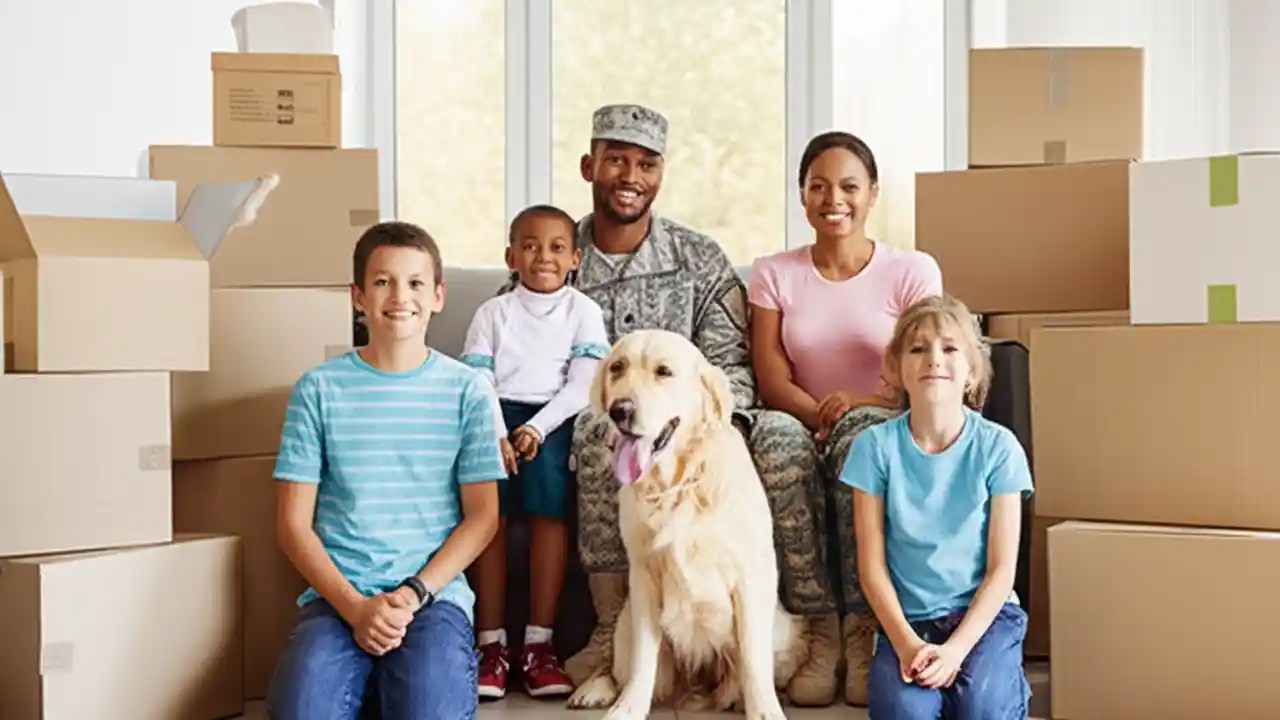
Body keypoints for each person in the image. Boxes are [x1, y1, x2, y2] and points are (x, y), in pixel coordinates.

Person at [512, 103, 837, 708]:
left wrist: (703, 439)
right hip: (593, 413)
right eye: (616, 160)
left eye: (646, 164)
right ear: (590, 167)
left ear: (660, 175)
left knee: (785, 439)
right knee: (594, 434)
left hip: (701, 420)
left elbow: (732, 367)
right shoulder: (554, 251)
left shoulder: (699, 257)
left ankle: (817, 627)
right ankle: (616, 628)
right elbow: (521, 351)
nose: (630, 175)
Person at [267, 221, 505, 720]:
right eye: (382, 282)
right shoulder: (317, 390)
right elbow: (292, 526)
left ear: (438, 295)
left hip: (432, 599)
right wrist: (356, 608)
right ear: (358, 296)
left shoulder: (467, 391)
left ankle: (388, 679)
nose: (400, 296)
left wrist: (415, 593)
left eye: (416, 282)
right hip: (338, 598)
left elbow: (482, 518)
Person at [747, 130, 943, 706]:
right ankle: (819, 633)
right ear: (802, 196)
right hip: (800, 417)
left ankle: (864, 630)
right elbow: (770, 377)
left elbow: (928, 365)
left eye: (850, 186)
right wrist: (819, 414)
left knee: (862, 440)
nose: (835, 199)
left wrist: (856, 408)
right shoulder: (773, 272)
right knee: (775, 439)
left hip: (880, 421)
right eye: (819, 186)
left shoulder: (911, 271)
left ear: (873, 193)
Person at [842, 293, 1033, 719]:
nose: (933, 359)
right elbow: (871, 567)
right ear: (895, 369)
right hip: (908, 620)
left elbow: (1003, 569)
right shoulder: (874, 448)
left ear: (971, 370)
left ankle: (1000, 680)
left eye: (949, 348)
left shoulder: (998, 448)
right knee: (903, 712)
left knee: (980, 707)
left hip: (986, 616)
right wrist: (907, 642)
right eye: (917, 348)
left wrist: (957, 650)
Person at [461, 204, 609, 700]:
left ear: (575, 259)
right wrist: (500, 432)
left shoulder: (583, 312)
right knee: (490, 512)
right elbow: (478, 380)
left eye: (556, 247)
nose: (542, 256)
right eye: (529, 246)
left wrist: (536, 431)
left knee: (549, 503)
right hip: (495, 418)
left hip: (556, 418)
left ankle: (539, 645)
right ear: (511, 255)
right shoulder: (493, 313)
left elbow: (583, 384)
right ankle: (490, 644)